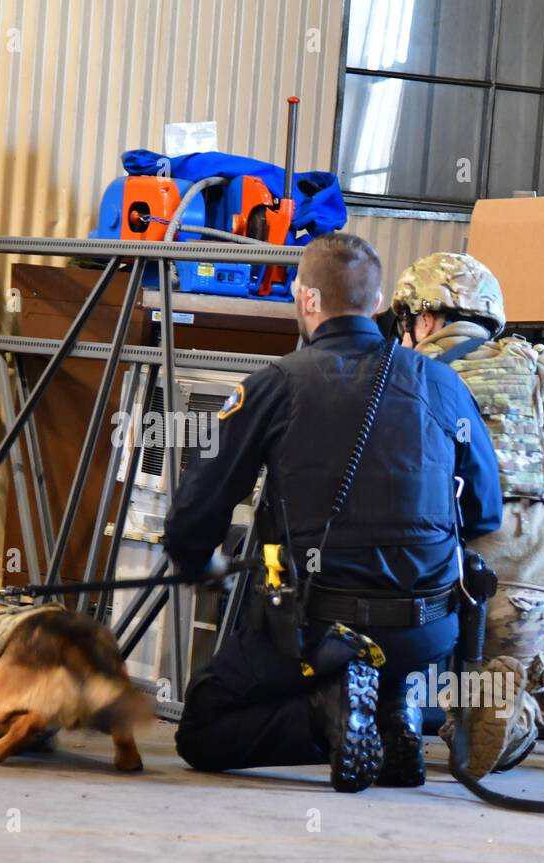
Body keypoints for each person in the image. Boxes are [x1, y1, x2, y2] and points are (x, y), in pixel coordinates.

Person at [165, 232, 502, 792]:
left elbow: (196, 511)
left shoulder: (273, 386)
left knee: (203, 726)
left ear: (305, 299)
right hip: (427, 632)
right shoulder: (442, 384)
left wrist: (198, 566)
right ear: (376, 305)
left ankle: (330, 711)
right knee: (373, 654)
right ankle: (392, 705)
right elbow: (484, 513)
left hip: (316, 628)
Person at [395, 252, 544, 778]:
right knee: (514, 712)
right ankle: (502, 713)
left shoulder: (398, 375)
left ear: (423, 319)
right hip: (520, 575)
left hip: (415, 582)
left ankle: (396, 717)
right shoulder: (543, 368)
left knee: (387, 677)